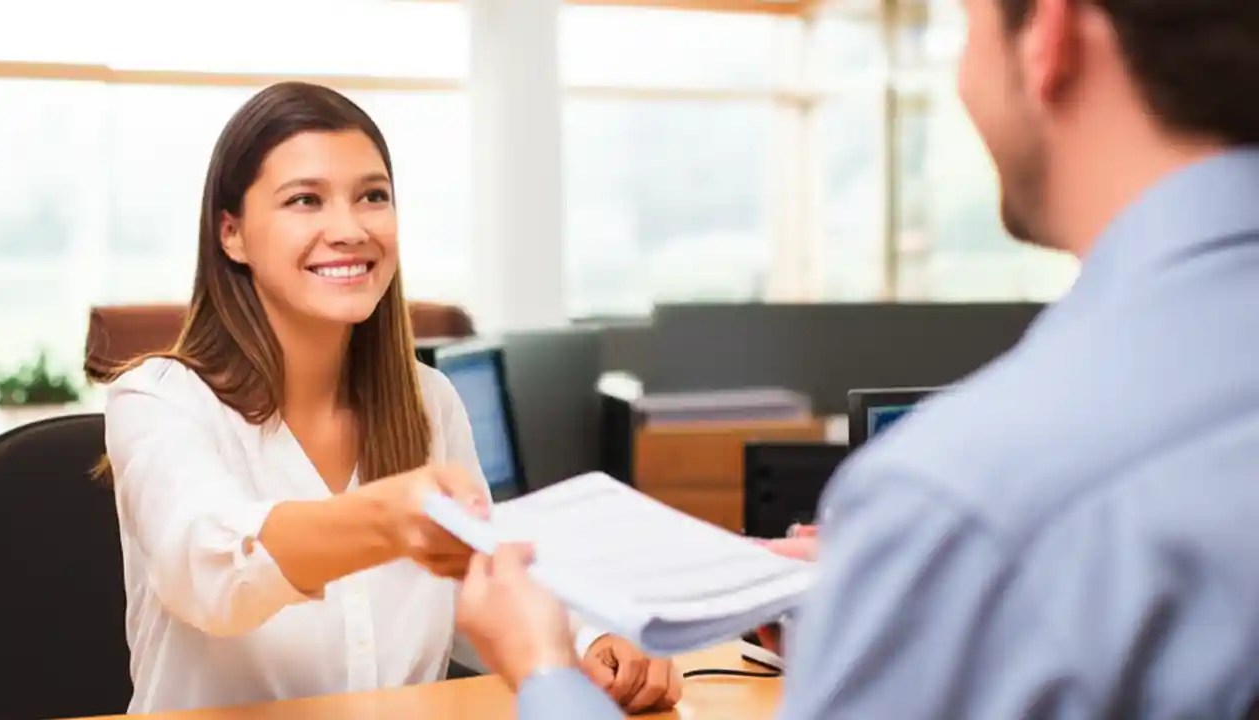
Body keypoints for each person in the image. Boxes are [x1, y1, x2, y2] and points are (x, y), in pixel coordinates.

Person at [455, 0, 1259, 716]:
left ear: (1050, 35)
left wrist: (545, 671)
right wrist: (887, 595)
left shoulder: (963, 500)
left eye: (967, 22)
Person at [100, 81, 679, 715]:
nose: (350, 229)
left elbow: (478, 587)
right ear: (231, 233)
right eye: (305, 200)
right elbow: (206, 570)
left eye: (372, 196)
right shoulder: (158, 400)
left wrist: (589, 642)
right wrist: (387, 519)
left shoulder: (431, 402)